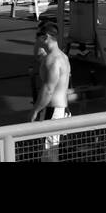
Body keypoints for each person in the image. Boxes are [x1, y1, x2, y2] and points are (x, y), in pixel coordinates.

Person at [30, 21, 71, 162]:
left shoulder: (52, 60)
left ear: (46, 36)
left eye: (38, 35)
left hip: (51, 111)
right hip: (60, 109)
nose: (35, 38)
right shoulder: (62, 57)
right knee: (51, 150)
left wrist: (35, 110)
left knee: (48, 153)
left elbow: (48, 90)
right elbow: (37, 56)